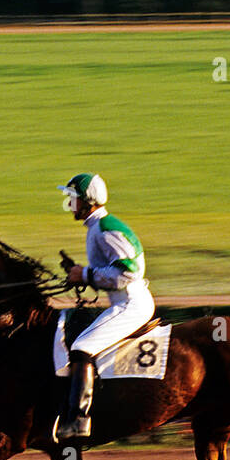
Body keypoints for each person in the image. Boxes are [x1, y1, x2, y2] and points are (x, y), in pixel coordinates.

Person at [56, 172, 155, 441]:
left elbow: (129, 272)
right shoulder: (96, 227)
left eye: (72, 199)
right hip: (124, 301)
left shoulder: (104, 228)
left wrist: (85, 275)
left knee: (81, 346)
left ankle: (78, 420)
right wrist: (79, 273)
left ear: (87, 202)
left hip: (131, 304)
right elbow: (110, 271)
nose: (69, 205)